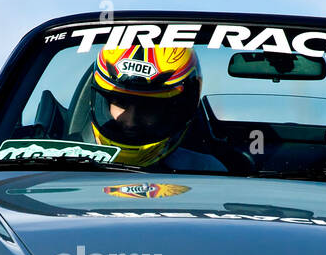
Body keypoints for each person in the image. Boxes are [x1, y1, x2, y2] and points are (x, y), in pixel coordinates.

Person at [80, 46, 225, 171]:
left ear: (176, 111)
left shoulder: (207, 172)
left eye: (147, 108)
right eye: (121, 102)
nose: (131, 122)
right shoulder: (65, 161)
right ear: (101, 102)